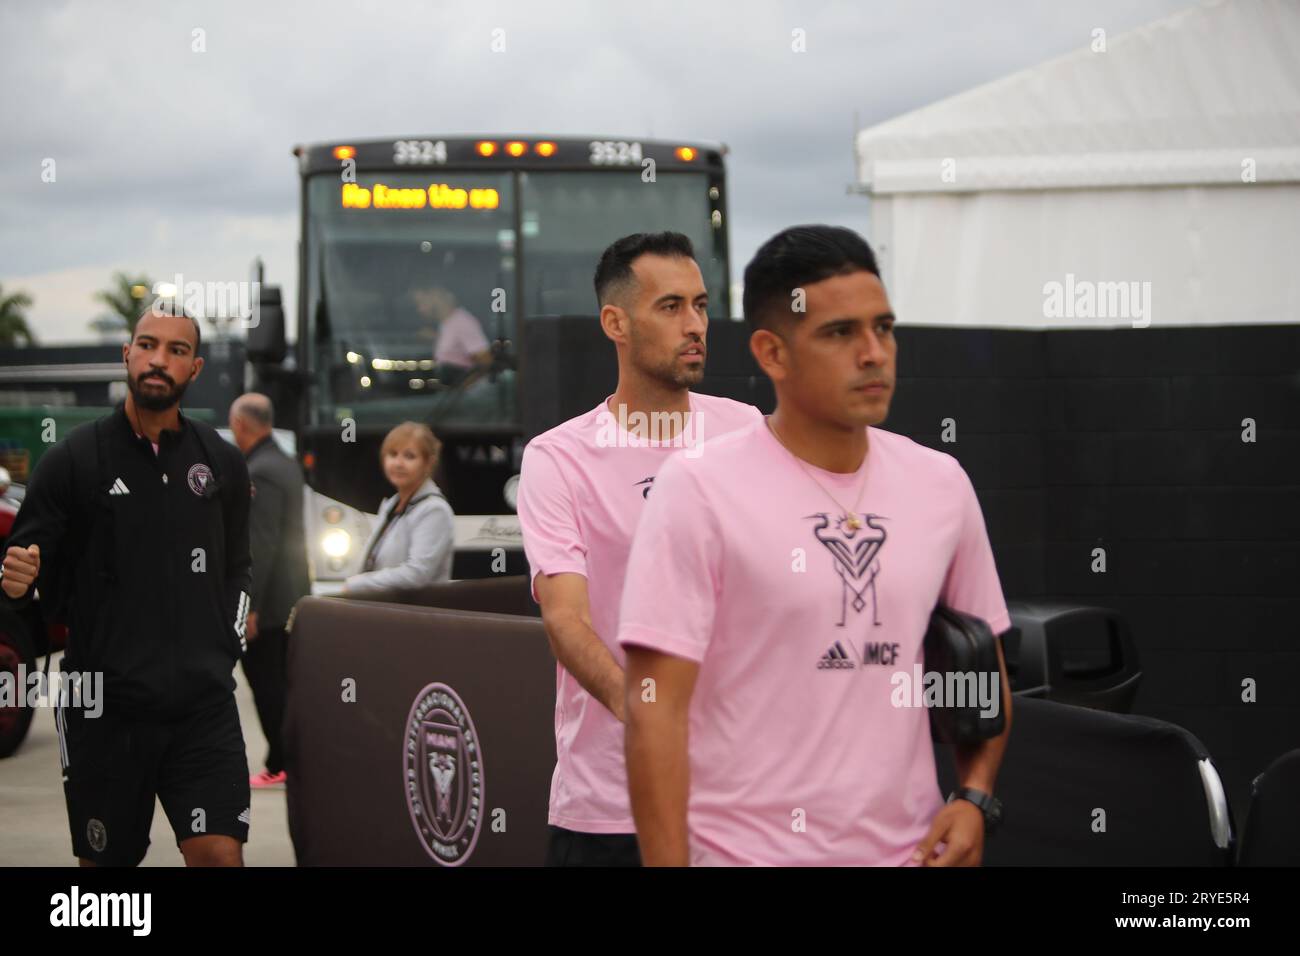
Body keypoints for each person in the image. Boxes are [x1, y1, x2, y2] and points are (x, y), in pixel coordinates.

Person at [619, 225, 1014, 866]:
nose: (873, 353)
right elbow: (654, 712)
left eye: (883, 328)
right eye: (840, 333)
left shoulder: (940, 485)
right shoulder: (698, 488)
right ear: (772, 353)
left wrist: (975, 797)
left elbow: (985, 670)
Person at [516, 232, 760, 867]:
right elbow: (566, 620)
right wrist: (651, 714)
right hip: (609, 806)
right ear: (615, 323)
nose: (695, 325)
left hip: (743, 802)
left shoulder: (749, 432)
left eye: (702, 306)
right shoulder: (559, 457)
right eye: (671, 307)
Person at [0, 302, 252, 867]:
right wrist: (15, 581)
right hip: (104, 712)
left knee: (219, 855)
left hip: (201, 706)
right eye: (148, 345)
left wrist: (226, 642)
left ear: (195, 368)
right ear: (127, 355)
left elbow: (240, 566)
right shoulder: (72, 460)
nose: (158, 360)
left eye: (176, 350)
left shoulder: (222, 462)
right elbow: (19, 565)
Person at [227, 393, 310, 789]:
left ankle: (281, 762)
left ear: (241, 424)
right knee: (280, 681)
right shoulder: (285, 462)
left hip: (270, 603)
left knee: (268, 684)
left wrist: (251, 607)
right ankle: (286, 759)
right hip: (288, 595)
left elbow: (260, 543)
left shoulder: (259, 471)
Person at [343, 422, 454, 595]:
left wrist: (358, 584)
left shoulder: (434, 510)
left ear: (428, 463)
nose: (398, 463)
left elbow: (417, 574)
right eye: (393, 454)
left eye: (409, 456)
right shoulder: (392, 504)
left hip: (415, 617)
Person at [412, 286, 492, 384]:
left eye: (421, 302)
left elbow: (486, 362)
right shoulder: (447, 324)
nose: (420, 309)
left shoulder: (462, 322)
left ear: (435, 295)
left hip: (470, 396)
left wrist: (462, 389)